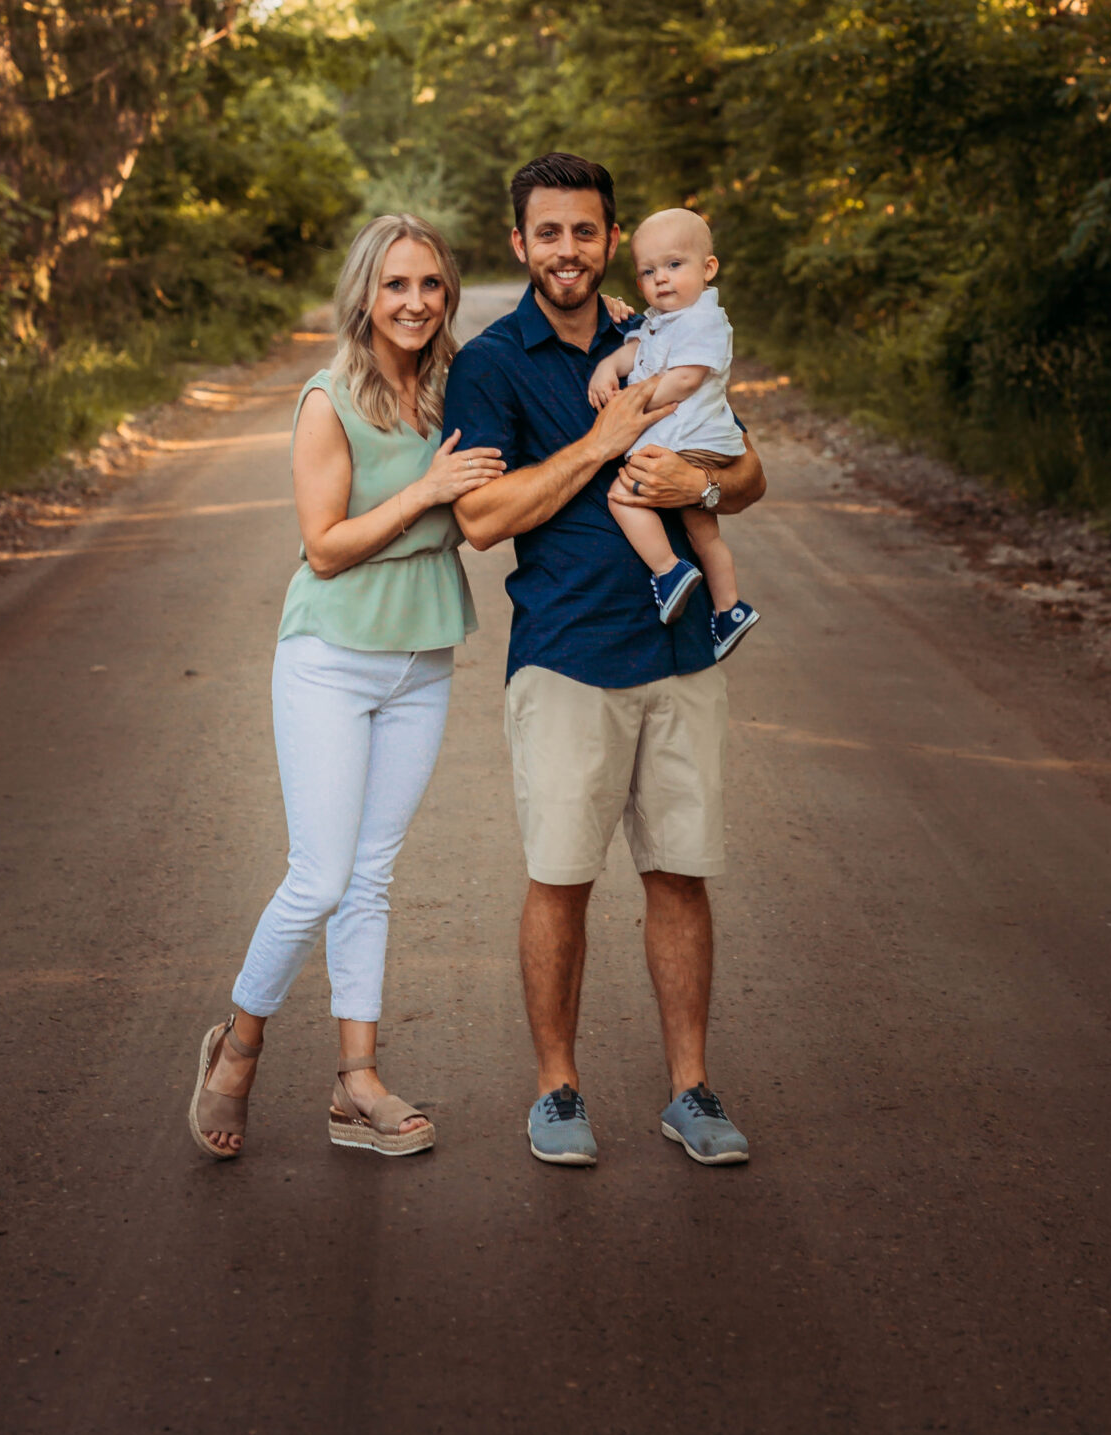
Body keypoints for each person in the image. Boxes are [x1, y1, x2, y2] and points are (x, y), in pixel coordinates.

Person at [446, 152, 766, 1170]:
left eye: (587, 231)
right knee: (562, 877)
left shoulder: (659, 330)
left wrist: (698, 484)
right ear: (520, 245)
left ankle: (690, 1088)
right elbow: (483, 517)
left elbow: (749, 470)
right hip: (567, 651)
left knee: (681, 873)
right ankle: (557, 1090)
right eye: (550, 233)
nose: (570, 250)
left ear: (610, 237)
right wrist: (603, 439)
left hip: (679, 650)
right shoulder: (492, 362)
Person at [187, 213, 505, 1162]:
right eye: (396, 285)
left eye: (432, 286)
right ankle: (238, 1046)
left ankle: (355, 1085)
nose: (415, 303)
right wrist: (422, 492)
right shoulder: (330, 399)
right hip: (330, 655)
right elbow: (324, 549)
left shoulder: (457, 391)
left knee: (371, 874)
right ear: (364, 294)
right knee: (319, 874)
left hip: (423, 657)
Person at [586, 206, 761, 660]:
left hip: (690, 441)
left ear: (708, 268)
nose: (661, 278)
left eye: (674, 265)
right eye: (648, 271)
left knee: (623, 495)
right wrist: (607, 367)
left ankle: (669, 571)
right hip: (687, 442)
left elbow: (685, 378)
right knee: (705, 533)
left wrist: (632, 400)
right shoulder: (662, 321)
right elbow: (635, 352)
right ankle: (728, 610)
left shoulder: (703, 320)